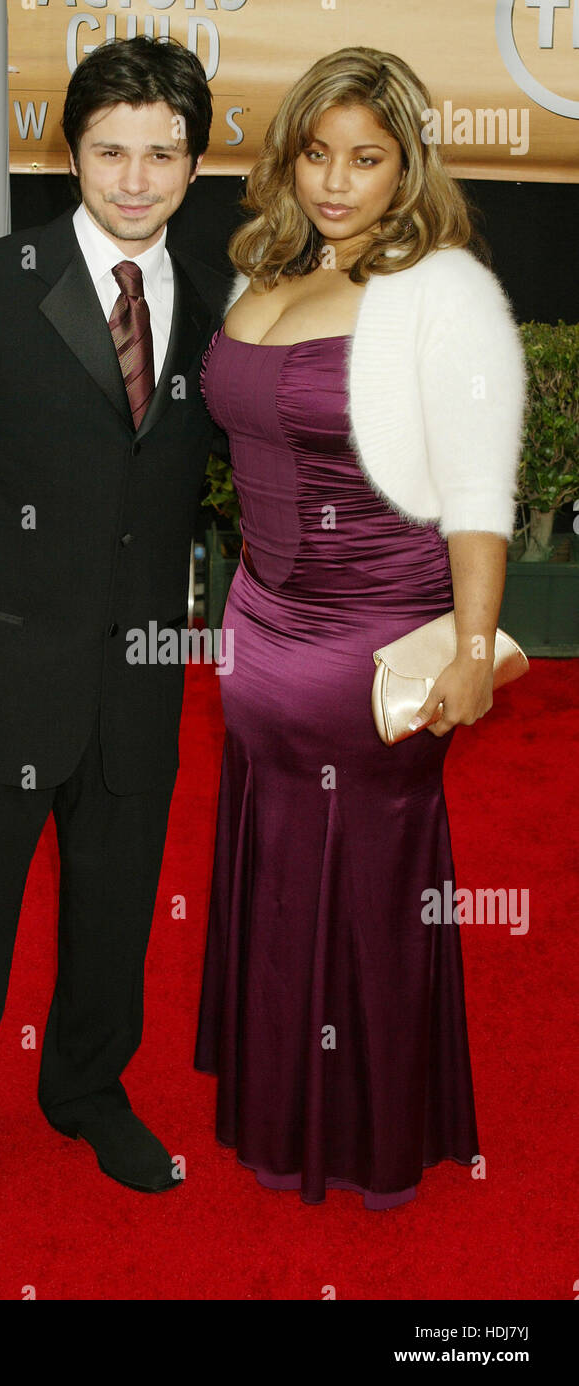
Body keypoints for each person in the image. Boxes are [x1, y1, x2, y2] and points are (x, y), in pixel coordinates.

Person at [0, 35, 230, 1245]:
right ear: (69, 153)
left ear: (195, 163)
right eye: (110, 151)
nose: (135, 179)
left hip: (139, 679)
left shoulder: (217, 302)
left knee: (116, 914)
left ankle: (85, 1088)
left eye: (161, 155)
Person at [193, 47, 526, 1209]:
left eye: (367, 159)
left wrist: (474, 650)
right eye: (317, 153)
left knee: (367, 887)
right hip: (259, 629)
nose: (337, 181)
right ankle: (284, 1109)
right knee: (285, 879)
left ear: (407, 169)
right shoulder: (269, 269)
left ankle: (371, 1139)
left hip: (371, 643)